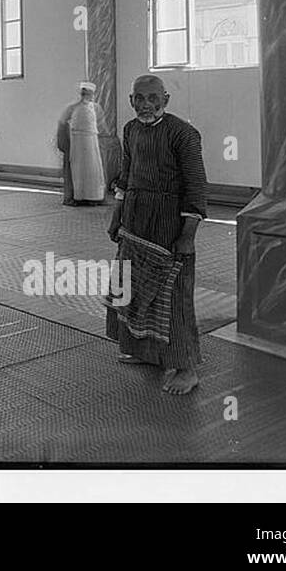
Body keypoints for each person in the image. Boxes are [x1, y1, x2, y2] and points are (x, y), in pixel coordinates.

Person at [105, 74, 208, 395]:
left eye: (153, 98)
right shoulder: (131, 130)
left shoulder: (183, 134)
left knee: (171, 293)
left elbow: (196, 186)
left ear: (166, 100)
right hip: (135, 223)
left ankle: (186, 367)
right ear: (130, 100)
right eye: (139, 98)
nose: (146, 104)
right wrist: (116, 216)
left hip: (168, 225)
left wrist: (188, 235)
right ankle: (145, 352)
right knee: (133, 288)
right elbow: (125, 176)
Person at [56, 82, 109, 205]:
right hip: (77, 144)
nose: (85, 95)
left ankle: (94, 197)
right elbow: (62, 122)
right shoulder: (72, 107)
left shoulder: (96, 108)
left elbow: (102, 126)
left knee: (93, 170)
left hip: (92, 143)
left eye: (88, 93)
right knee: (78, 170)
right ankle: (77, 197)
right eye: (83, 93)